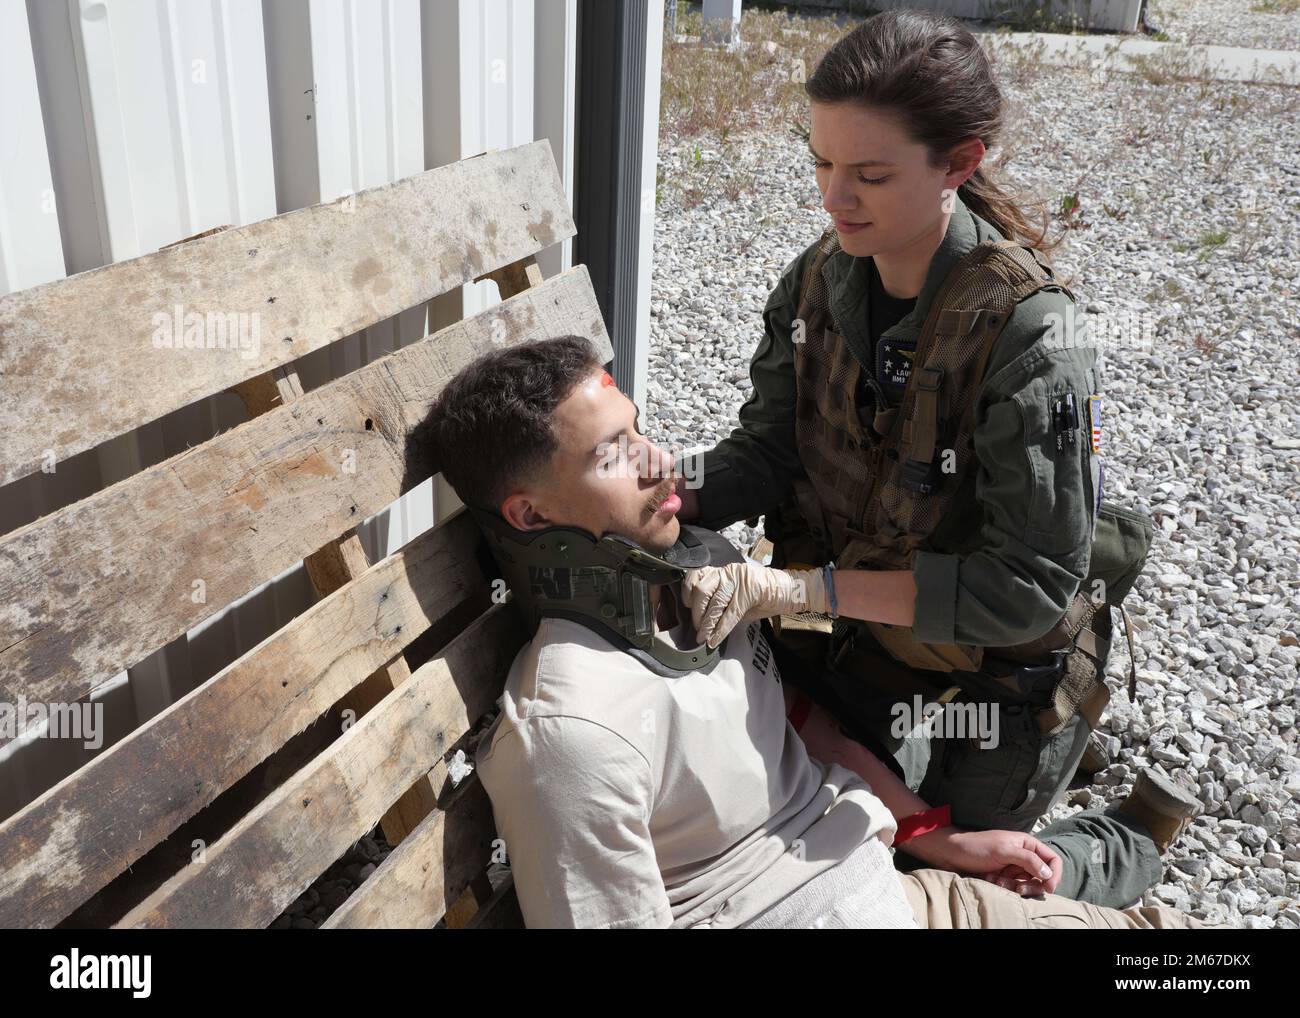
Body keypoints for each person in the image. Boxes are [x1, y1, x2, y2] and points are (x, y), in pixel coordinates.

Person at [669, 10, 1199, 907]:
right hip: (855, 638)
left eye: (870, 175)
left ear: (960, 163)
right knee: (800, 819)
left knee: (953, 877)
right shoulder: (820, 281)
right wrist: (656, 489)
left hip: (985, 677)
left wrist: (806, 590)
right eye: (822, 164)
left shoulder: (1036, 334)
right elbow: (766, 451)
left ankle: (1120, 842)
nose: (834, 200)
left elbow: (1025, 586)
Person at [402, 336, 1202, 929]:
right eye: (614, 455)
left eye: (639, 428)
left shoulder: (696, 593)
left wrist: (936, 838)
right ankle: (1124, 844)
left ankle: (1118, 849)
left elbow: (796, 726)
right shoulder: (572, 733)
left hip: (895, 891)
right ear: (530, 514)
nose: (661, 462)